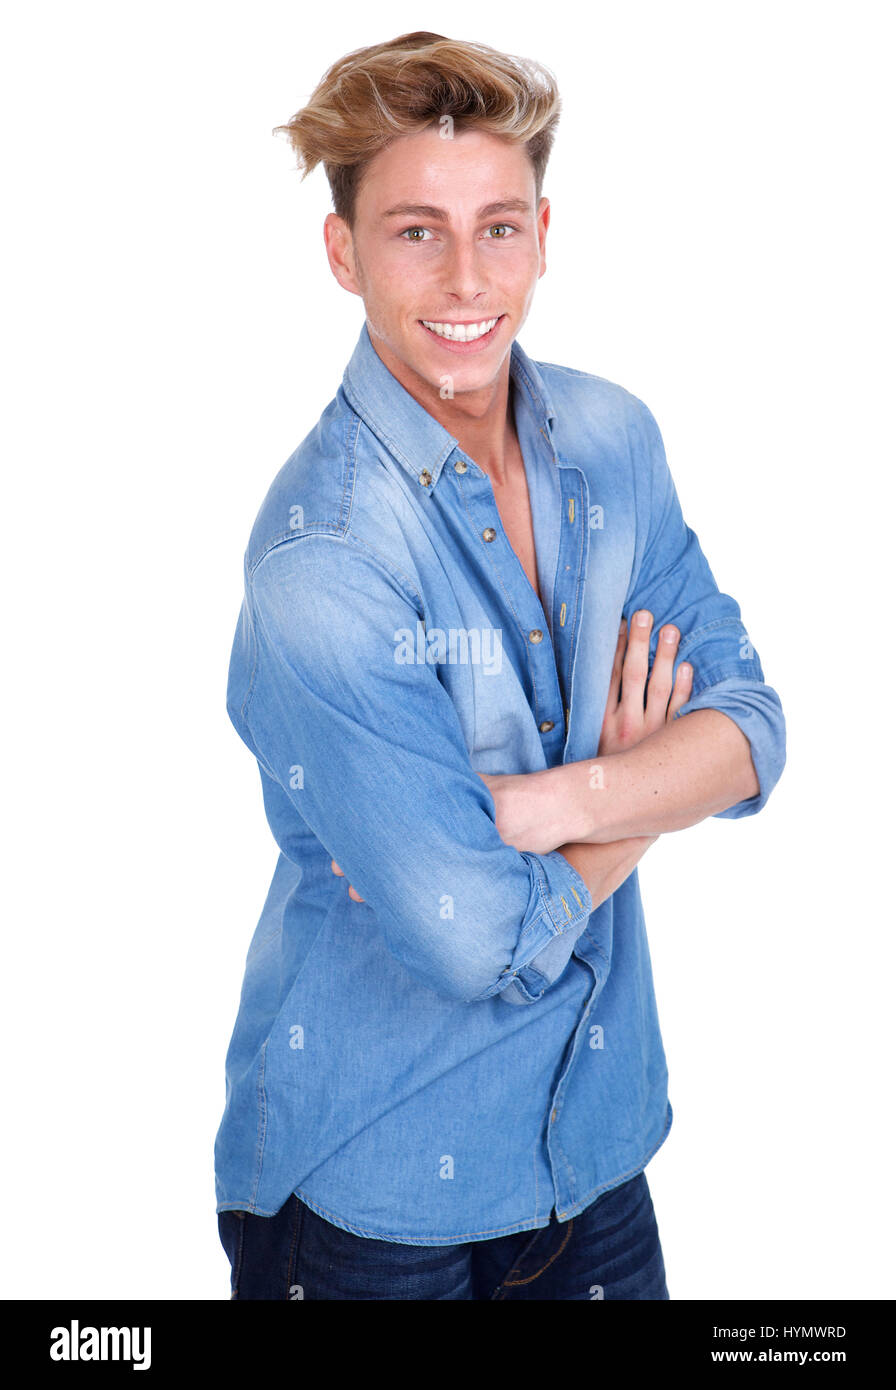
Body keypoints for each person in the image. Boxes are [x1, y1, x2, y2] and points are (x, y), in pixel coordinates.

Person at [214, 31, 786, 1300]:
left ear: (542, 235)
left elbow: (751, 731)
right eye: (415, 231)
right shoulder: (325, 559)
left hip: (593, 1152)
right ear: (341, 252)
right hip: (373, 1204)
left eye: (499, 228)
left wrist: (542, 805)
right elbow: (471, 940)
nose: (466, 277)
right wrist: (647, 790)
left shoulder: (611, 439)